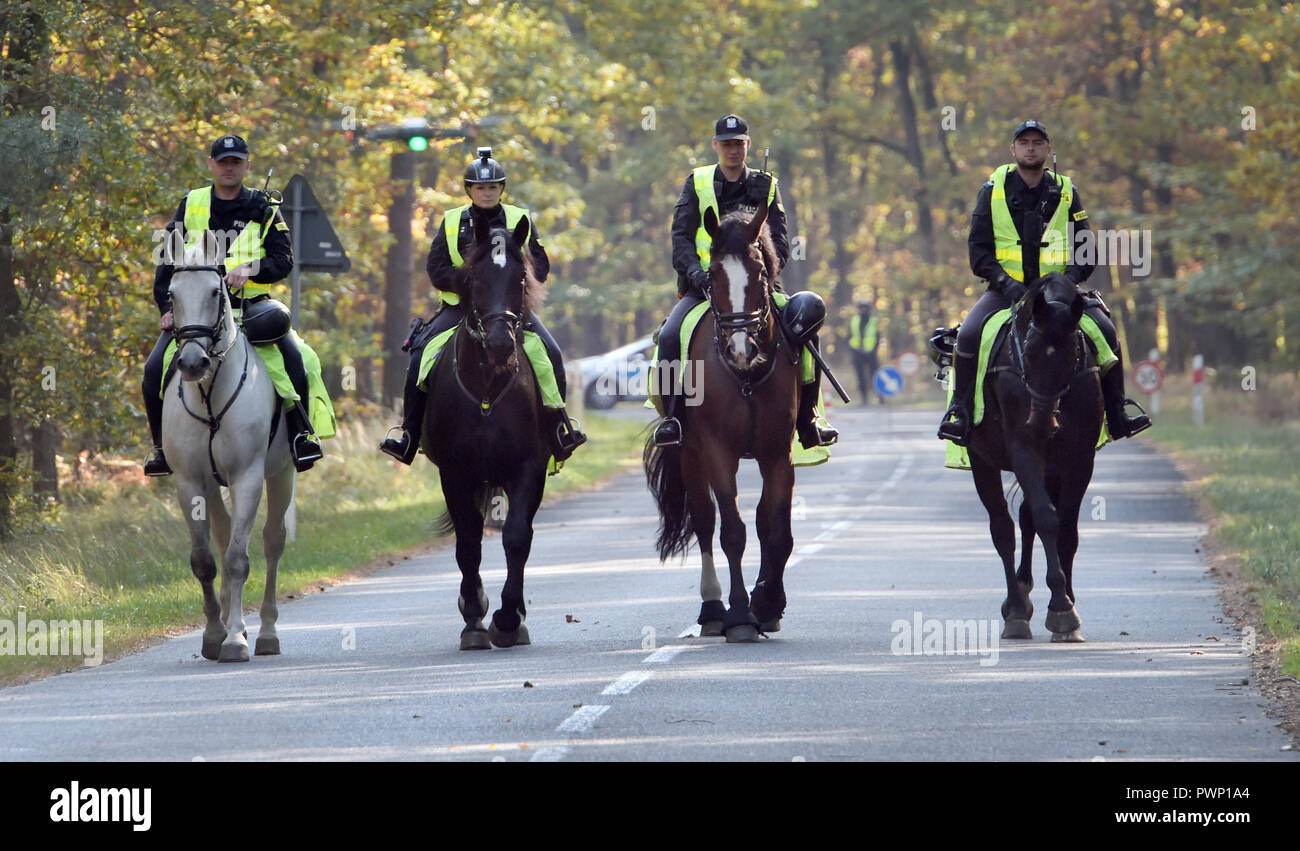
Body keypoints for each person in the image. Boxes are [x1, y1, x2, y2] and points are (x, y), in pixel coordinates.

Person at [938, 119, 1151, 446]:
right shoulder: (991, 191)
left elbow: (1085, 249)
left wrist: (1068, 282)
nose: (1031, 148)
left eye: (1038, 142)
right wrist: (1005, 283)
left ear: (1048, 149)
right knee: (968, 336)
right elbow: (978, 250)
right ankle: (961, 411)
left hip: (1058, 295)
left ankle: (1117, 412)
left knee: (1106, 330)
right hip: (1005, 291)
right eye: (1024, 143)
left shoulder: (1066, 191)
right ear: (1013, 149)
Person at [379, 147, 587, 465]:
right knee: (420, 357)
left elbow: (541, 267)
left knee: (551, 352)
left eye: (492, 187)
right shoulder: (452, 221)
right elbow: (436, 268)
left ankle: (559, 429)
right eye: (480, 187)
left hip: (511, 311)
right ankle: (409, 435)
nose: (487, 192)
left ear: (501, 189)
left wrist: (509, 281)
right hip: (459, 308)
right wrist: (471, 287)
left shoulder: (520, 219)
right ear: (470, 190)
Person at [142, 133, 321, 475]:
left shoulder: (265, 207)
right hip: (196, 312)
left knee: (298, 360)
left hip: (251, 307)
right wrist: (166, 308)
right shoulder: (191, 203)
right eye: (222, 162)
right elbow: (166, 261)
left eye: (236, 162)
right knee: (153, 370)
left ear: (246, 166)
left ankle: (302, 437)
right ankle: (160, 449)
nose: (229, 168)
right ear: (211, 165)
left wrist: (252, 268)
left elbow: (284, 260)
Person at [654, 113, 837, 449]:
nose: (733, 150)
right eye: (726, 144)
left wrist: (766, 271)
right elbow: (680, 236)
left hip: (757, 288)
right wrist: (696, 273)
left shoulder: (767, 185)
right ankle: (673, 419)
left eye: (738, 144)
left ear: (747, 145)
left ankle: (808, 417)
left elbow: (780, 239)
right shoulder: (696, 182)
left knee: (805, 327)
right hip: (705, 287)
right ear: (716, 146)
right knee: (668, 337)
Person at [849, 299, 880, 404]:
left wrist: (874, 350)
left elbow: (878, 338)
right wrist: (854, 350)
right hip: (858, 353)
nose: (863, 310)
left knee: (875, 376)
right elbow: (850, 337)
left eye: (865, 308)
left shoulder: (874, 321)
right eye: (861, 308)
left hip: (871, 353)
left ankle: (880, 397)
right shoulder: (854, 321)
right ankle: (864, 399)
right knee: (860, 377)